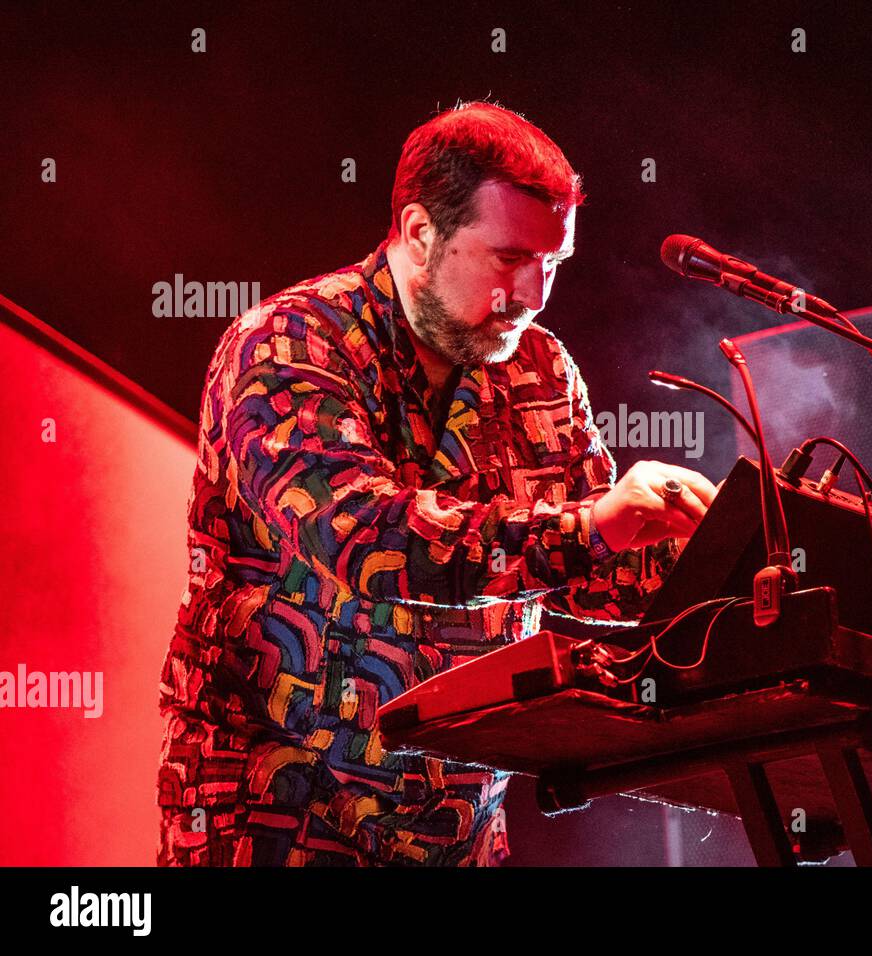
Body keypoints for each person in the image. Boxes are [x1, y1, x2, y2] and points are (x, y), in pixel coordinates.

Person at [156, 100, 717, 866]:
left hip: (455, 825)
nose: (535, 294)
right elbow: (368, 543)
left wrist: (715, 555)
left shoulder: (540, 367)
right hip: (276, 807)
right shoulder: (287, 344)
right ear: (420, 233)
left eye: (552, 264)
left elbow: (590, 580)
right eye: (509, 258)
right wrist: (592, 528)